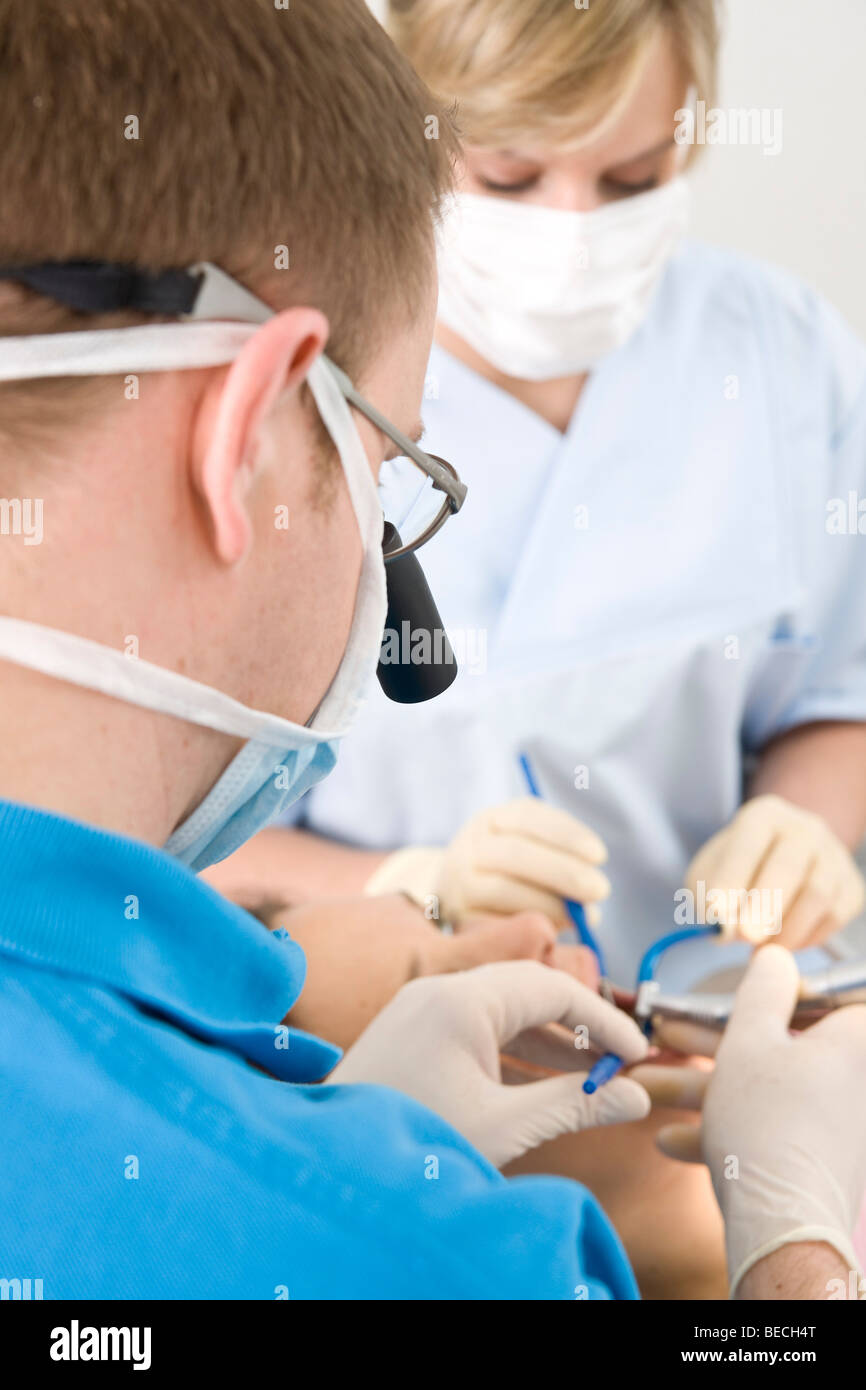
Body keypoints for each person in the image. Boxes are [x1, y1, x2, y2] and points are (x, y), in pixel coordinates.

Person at [1, 0, 864, 1304]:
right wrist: (802, 1238)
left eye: (629, 180)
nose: (572, 225)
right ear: (243, 437)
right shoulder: (438, 1251)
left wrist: (335, 1110)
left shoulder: (778, 353)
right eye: (393, 479)